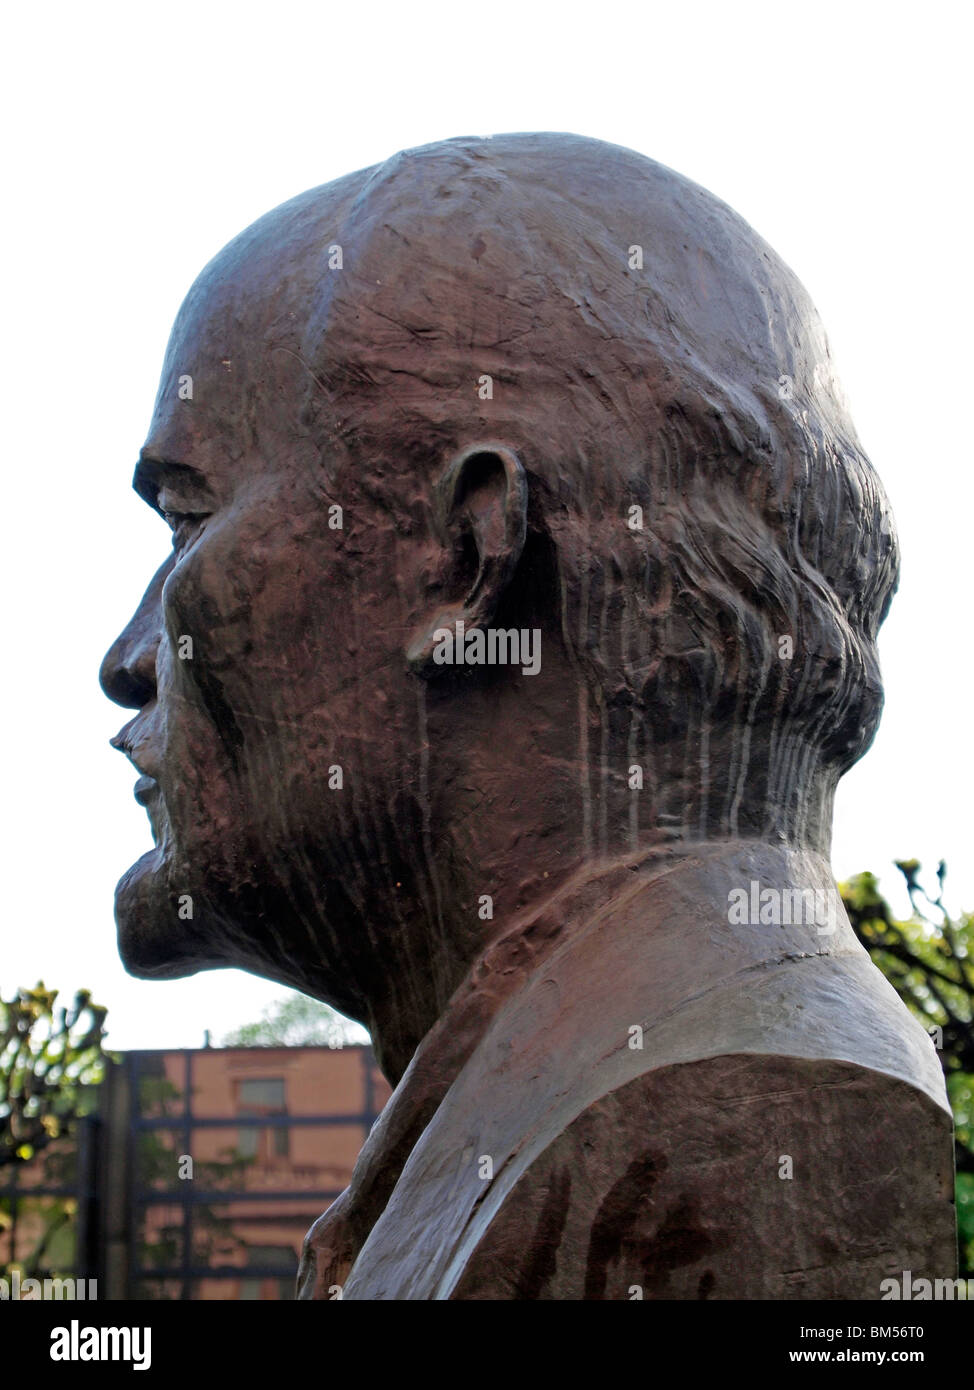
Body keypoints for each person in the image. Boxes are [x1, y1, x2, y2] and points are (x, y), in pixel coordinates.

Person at [101, 133, 954, 1298]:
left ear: (463, 557)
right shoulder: (544, 1096)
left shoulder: (706, 1112)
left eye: (188, 520)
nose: (127, 660)